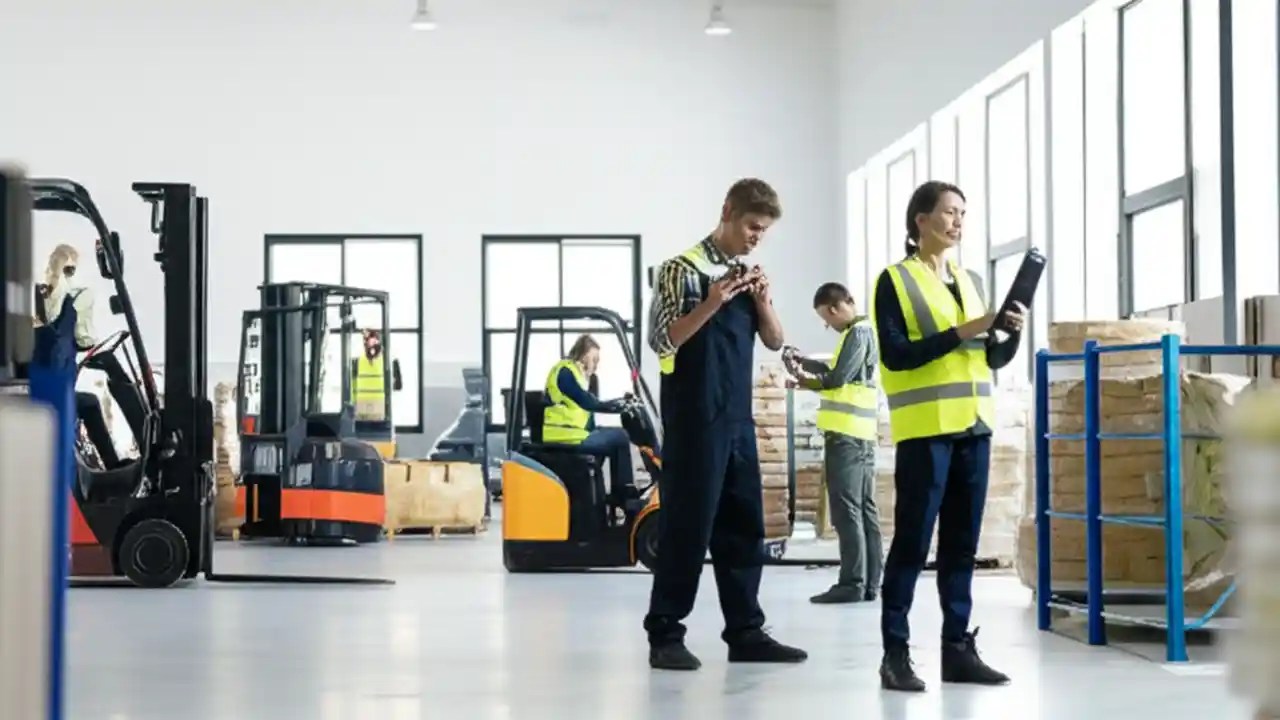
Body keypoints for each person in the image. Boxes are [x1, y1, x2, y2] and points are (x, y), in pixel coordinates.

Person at [643, 177, 806, 671]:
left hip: (737, 420)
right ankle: (666, 634)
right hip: (694, 420)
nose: (757, 236)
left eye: (764, 231)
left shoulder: (747, 273)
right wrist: (712, 302)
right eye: (752, 226)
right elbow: (661, 341)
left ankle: (746, 631)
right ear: (728, 212)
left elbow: (775, 342)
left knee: (743, 526)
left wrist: (762, 300)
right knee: (686, 528)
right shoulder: (680, 270)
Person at [871, 180, 1027, 692]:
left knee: (962, 547)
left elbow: (990, 357)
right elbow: (896, 354)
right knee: (912, 546)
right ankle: (895, 654)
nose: (958, 221)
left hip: (974, 428)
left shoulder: (971, 279)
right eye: (948, 212)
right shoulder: (895, 281)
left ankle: (957, 651)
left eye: (963, 213)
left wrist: (1012, 333)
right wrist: (965, 329)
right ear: (920, 220)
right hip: (926, 432)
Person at [783, 281, 882, 605]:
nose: (828, 324)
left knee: (846, 510)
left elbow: (836, 380)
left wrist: (803, 380)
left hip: (847, 435)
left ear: (838, 307)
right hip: (860, 434)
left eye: (827, 317)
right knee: (864, 509)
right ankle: (869, 583)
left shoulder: (857, 333)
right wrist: (805, 363)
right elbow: (839, 371)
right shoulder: (859, 334)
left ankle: (852, 582)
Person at [32, 243, 121, 469]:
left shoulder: (35, 296)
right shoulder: (78, 298)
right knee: (90, 403)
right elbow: (86, 340)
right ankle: (112, 464)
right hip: (57, 390)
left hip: (33, 388)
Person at [542, 334, 636, 503]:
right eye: (595, 359)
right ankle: (625, 495)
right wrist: (612, 406)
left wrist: (615, 404)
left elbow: (585, 410)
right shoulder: (565, 371)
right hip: (564, 437)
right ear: (584, 354)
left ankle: (615, 494)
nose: (596, 365)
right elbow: (584, 400)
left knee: (615, 437)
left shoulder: (579, 376)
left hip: (575, 434)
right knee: (620, 437)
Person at [350, 329, 402, 421]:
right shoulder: (390, 360)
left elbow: (352, 385)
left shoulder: (357, 361)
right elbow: (398, 386)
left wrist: (354, 403)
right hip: (379, 406)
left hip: (362, 406)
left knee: (362, 433)